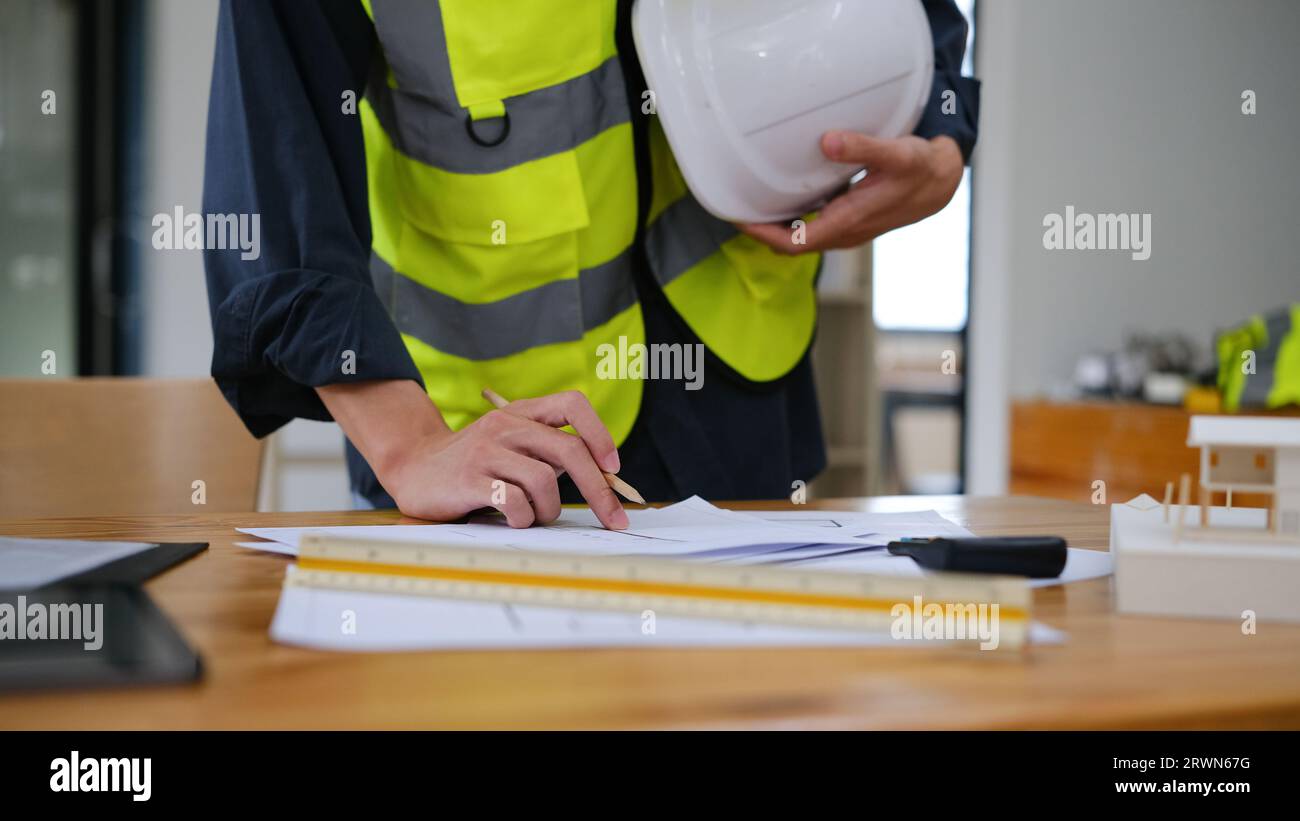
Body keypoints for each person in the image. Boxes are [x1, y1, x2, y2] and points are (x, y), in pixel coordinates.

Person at [203, 0, 980, 529]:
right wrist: (408, 443)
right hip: (488, 435)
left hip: (740, 392)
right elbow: (274, 173)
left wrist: (941, 119)